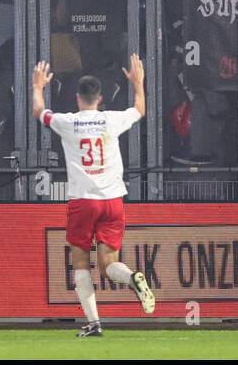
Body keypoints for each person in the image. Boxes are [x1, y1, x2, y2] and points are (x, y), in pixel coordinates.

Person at [30, 55, 156, 338]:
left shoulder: (66, 122)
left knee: (80, 263)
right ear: (100, 99)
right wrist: (139, 82)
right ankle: (132, 277)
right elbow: (139, 109)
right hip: (113, 200)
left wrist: (38, 86)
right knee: (109, 264)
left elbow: (39, 111)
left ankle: (94, 323)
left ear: (78, 99)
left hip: (83, 201)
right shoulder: (112, 120)